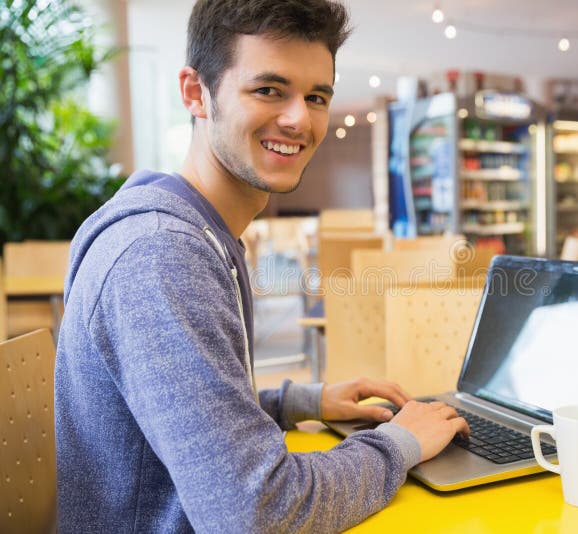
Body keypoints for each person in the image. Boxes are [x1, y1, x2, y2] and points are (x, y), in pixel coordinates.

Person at [54, 1, 468, 532]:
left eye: (316, 96)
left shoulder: (187, 231)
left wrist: (301, 402)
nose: (299, 118)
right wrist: (399, 443)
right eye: (269, 90)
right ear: (195, 93)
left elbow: (186, 416)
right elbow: (254, 512)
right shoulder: (161, 256)